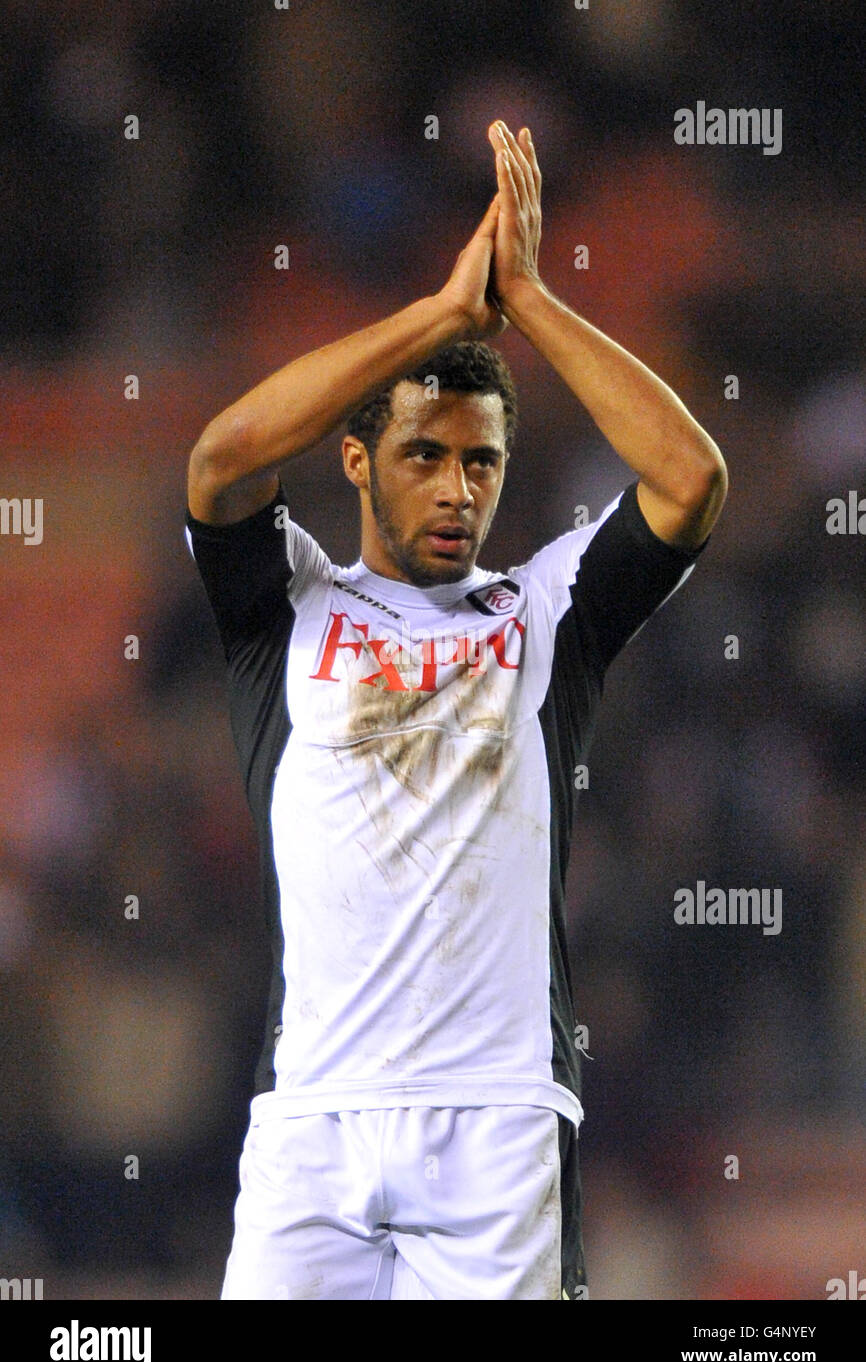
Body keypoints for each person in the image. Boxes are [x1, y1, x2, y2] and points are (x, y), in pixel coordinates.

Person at [184, 119, 727, 1300]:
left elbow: (688, 480)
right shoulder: (287, 606)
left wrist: (524, 299)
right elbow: (220, 460)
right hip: (313, 1122)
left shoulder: (547, 612)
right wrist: (440, 316)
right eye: (423, 453)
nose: (456, 488)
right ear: (356, 462)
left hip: (497, 1125)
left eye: (479, 462)